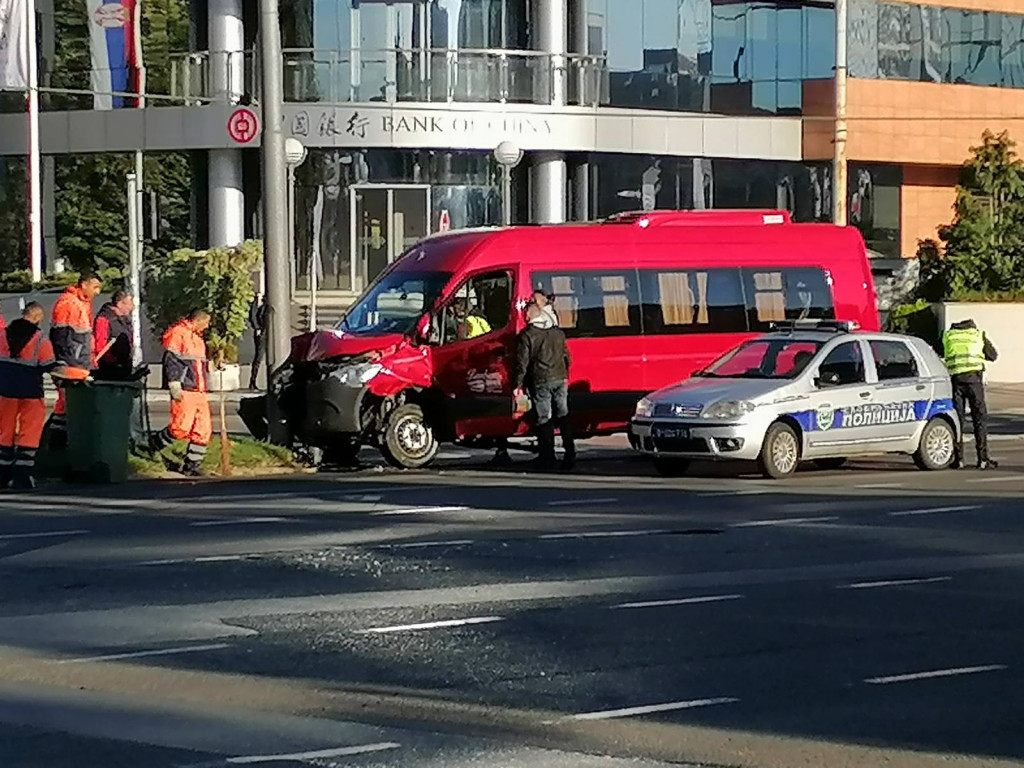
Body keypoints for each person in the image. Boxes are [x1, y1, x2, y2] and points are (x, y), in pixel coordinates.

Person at [0, 303, 58, 489]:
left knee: (4, 432)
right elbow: (49, 365)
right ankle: (23, 476)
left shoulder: (2, 334)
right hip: (30, 392)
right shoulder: (40, 339)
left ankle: (2, 475)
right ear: (38, 317)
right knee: (30, 433)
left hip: (5, 390)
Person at [148, 309, 213, 477]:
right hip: (185, 388)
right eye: (206, 323)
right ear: (198, 320)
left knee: (202, 430)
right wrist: (174, 383)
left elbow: (197, 364)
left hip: (198, 389)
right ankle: (152, 446)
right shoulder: (178, 334)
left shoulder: (196, 338)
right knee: (180, 428)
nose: (207, 327)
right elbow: (171, 360)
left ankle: (192, 465)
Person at [513, 303, 576, 471]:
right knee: (563, 416)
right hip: (560, 378)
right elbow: (567, 357)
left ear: (529, 316)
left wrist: (517, 384)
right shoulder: (558, 333)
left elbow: (522, 363)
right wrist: (565, 375)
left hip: (541, 380)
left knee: (544, 419)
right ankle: (570, 454)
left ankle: (547, 457)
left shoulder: (527, 336)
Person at [47, 273, 102, 449]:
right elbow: (61, 339)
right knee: (67, 405)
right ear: (83, 284)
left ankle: (56, 445)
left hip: (77, 365)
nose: (98, 292)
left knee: (66, 406)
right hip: (71, 366)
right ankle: (56, 445)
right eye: (95, 287)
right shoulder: (69, 304)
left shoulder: (80, 304)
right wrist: (64, 366)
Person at [942, 318, 999, 470]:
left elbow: (940, 354)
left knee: (957, 422)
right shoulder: (978, 335)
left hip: (955, 382)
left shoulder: (948, 336)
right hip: (974, 381)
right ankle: (983, 459)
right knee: (979, 420)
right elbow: (993, 355)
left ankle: (958, 459)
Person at [93, 290, 135, 381]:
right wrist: (112, 361)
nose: (132, 307)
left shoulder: (126, 321)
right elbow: (100, 344)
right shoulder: (104, 319)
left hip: (124, 366)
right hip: (109, 369)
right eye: (129, 304)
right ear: (119, 304)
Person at [248, 292, 267, 390]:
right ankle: (253, 381)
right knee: (258, 358)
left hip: (268, 332)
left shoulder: (267, 303)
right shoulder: (260, 303)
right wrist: (257, 328)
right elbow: (252, 315)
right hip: (262, 332)